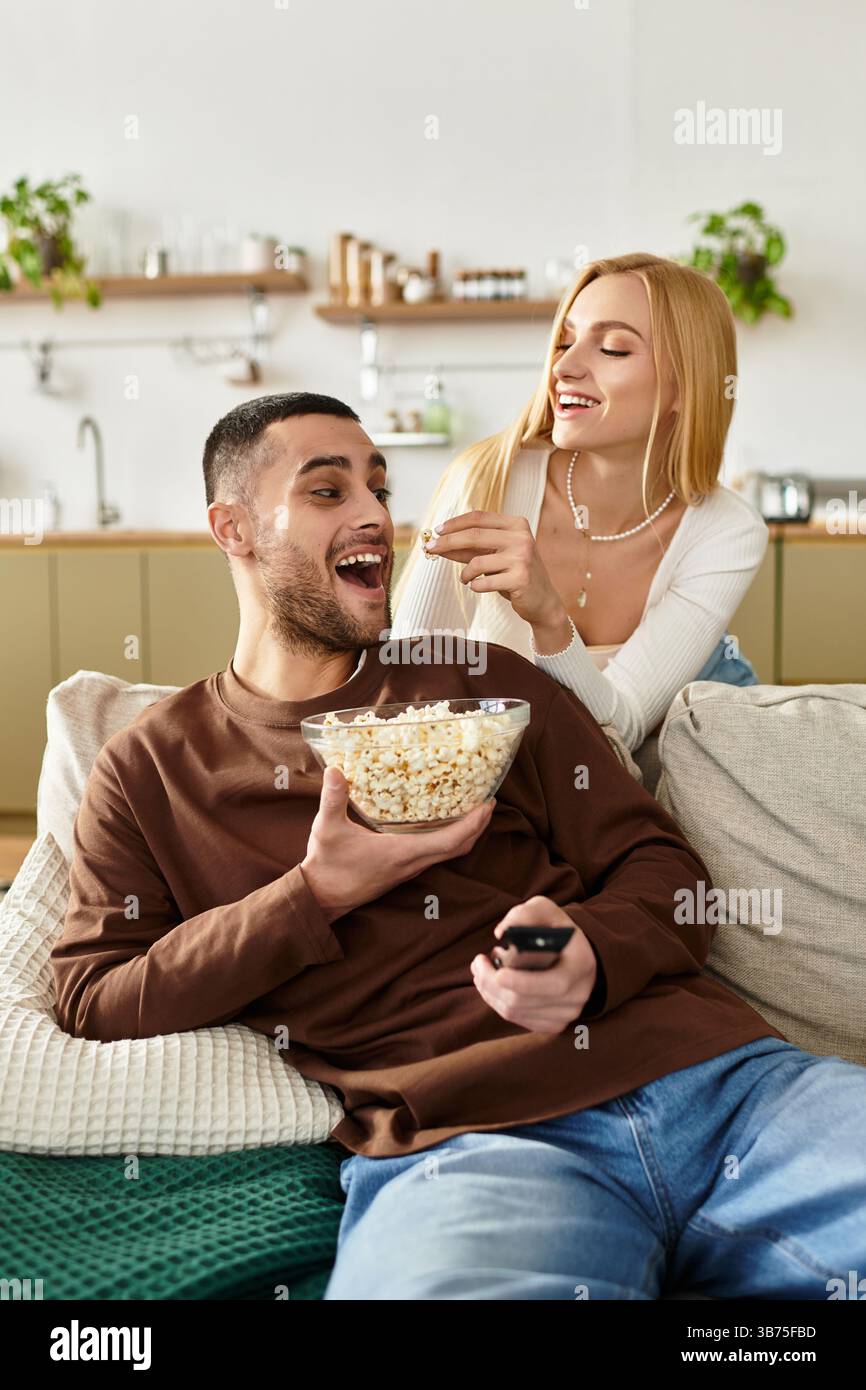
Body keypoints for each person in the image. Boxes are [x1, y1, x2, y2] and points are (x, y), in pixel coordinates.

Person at [50, 393, 865, 1300]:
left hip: (723, 1088)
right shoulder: (153, 767)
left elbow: (665, 871)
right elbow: (92, 995)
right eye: (327, 491)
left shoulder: (483, 685)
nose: (372, 514)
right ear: (232, 528)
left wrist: (591, 950)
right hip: (468, 1148)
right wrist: (313, 895)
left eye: (380, 487)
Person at [391, 253, 767, 754]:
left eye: (612, 349)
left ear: (687, 384)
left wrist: (549, 619)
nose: (564, 367)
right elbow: (406, 680)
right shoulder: (487, 479)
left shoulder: (727, 529)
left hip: (661, 741)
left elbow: (622, 729)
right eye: (565, 341)